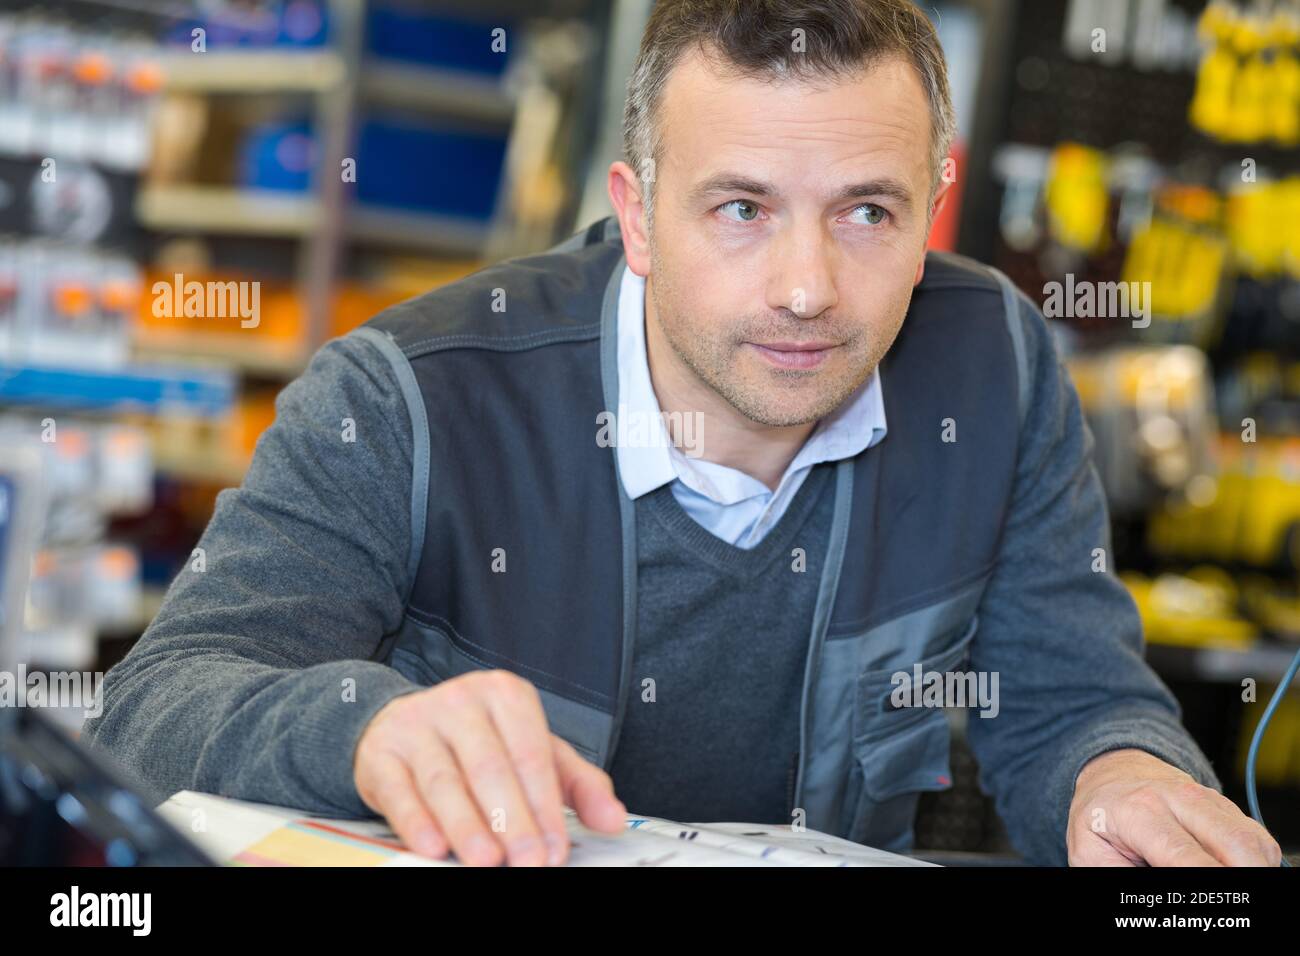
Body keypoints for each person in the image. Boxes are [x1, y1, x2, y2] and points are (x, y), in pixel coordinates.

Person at [83, 0, 1282, 867]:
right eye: (741, 208)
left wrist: (1118, 769)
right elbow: (155, 710)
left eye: (868, 210)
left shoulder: (999, 368)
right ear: (639, 215)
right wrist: (363, 724)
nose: (807, 287)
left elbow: (1070, 695)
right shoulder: (405, 396)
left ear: (933, 205)